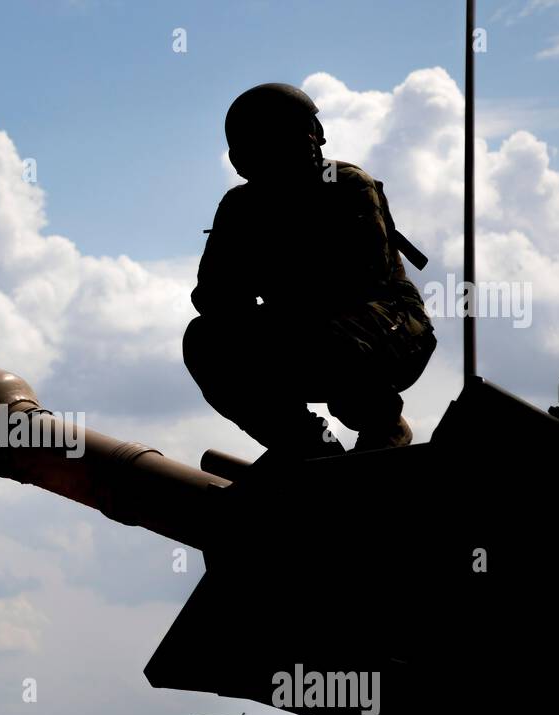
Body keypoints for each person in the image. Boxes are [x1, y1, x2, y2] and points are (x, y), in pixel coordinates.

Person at [185, 83, 436, 458]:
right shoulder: (241, 207)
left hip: (390, 327)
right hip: (301, 331)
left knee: (333, 334)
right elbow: (213, 297)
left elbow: (362, 278)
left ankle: (382, 424)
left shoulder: (347, 185)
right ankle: (304, 444)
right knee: (205, 341)